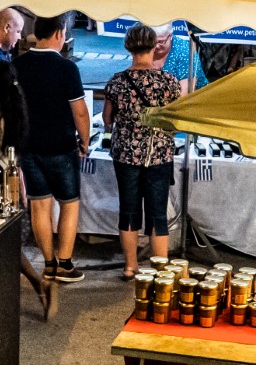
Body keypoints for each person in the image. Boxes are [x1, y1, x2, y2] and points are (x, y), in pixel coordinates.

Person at [0, 61, 56, 321]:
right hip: (11, 182)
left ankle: (33, 286)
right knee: (6, 242)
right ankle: (33, 286)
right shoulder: (15, 112)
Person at [102, 24, 182, 279]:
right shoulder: (168, 81)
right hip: (158, 155)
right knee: (157, 213)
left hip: (126, 155)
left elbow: (107, 119)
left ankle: (130, 266)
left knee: (129, 210)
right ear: (153, 46)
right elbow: (175, 121)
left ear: (129, 46)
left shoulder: (116, 82)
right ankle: (160, 271)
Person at [15, 14, 91, 283]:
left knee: (39, 205)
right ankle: (66, 264)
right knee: (69, 204)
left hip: (28, 146)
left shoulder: (18, 65)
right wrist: (85, 140)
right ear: (59, 34)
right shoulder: (66, 68)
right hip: (60, 146)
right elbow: (80, 112)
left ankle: (48, 264)